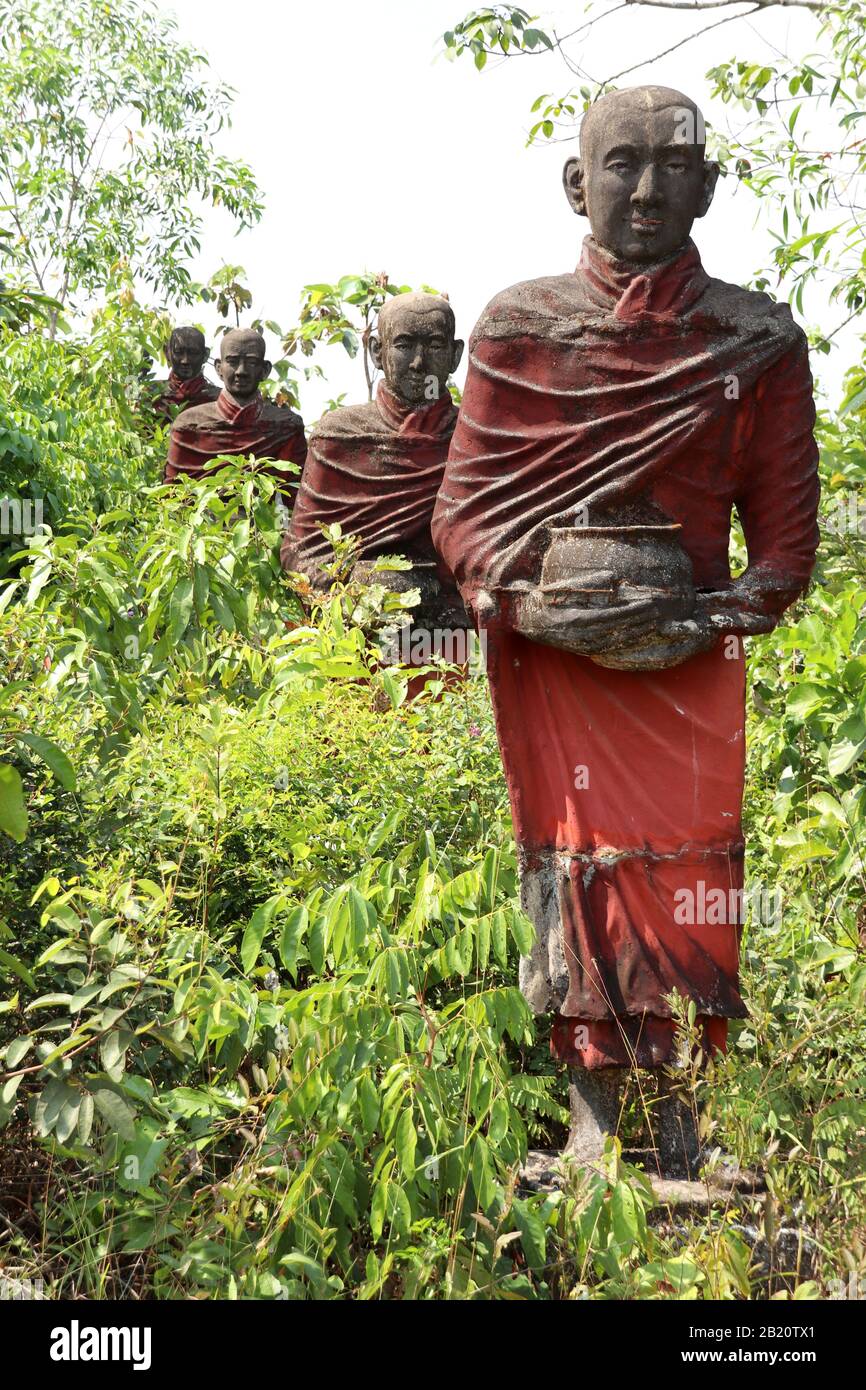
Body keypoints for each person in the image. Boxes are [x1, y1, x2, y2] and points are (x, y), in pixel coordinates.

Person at [432, 85, 820, 1169]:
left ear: (706, 183)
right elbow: (462, 518)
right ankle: (592, 1120)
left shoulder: (754, 340)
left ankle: (684, 1125)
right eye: (620, 164)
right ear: (574, 181)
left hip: (688, 665)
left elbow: (784, 553)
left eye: (669, 165)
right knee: (577, 864)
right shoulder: (518, 328)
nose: (645, 189)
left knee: (689, 871)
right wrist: (524, 599)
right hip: (558, 664)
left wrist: (699, 619)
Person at [165, 328, 306, 490]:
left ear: (265, 370)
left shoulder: (287, 426)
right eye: (232, 361)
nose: (241, 371)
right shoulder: (188, 424)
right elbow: (171, 495)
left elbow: (297, 498)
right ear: (219, 368)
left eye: (251, 362)